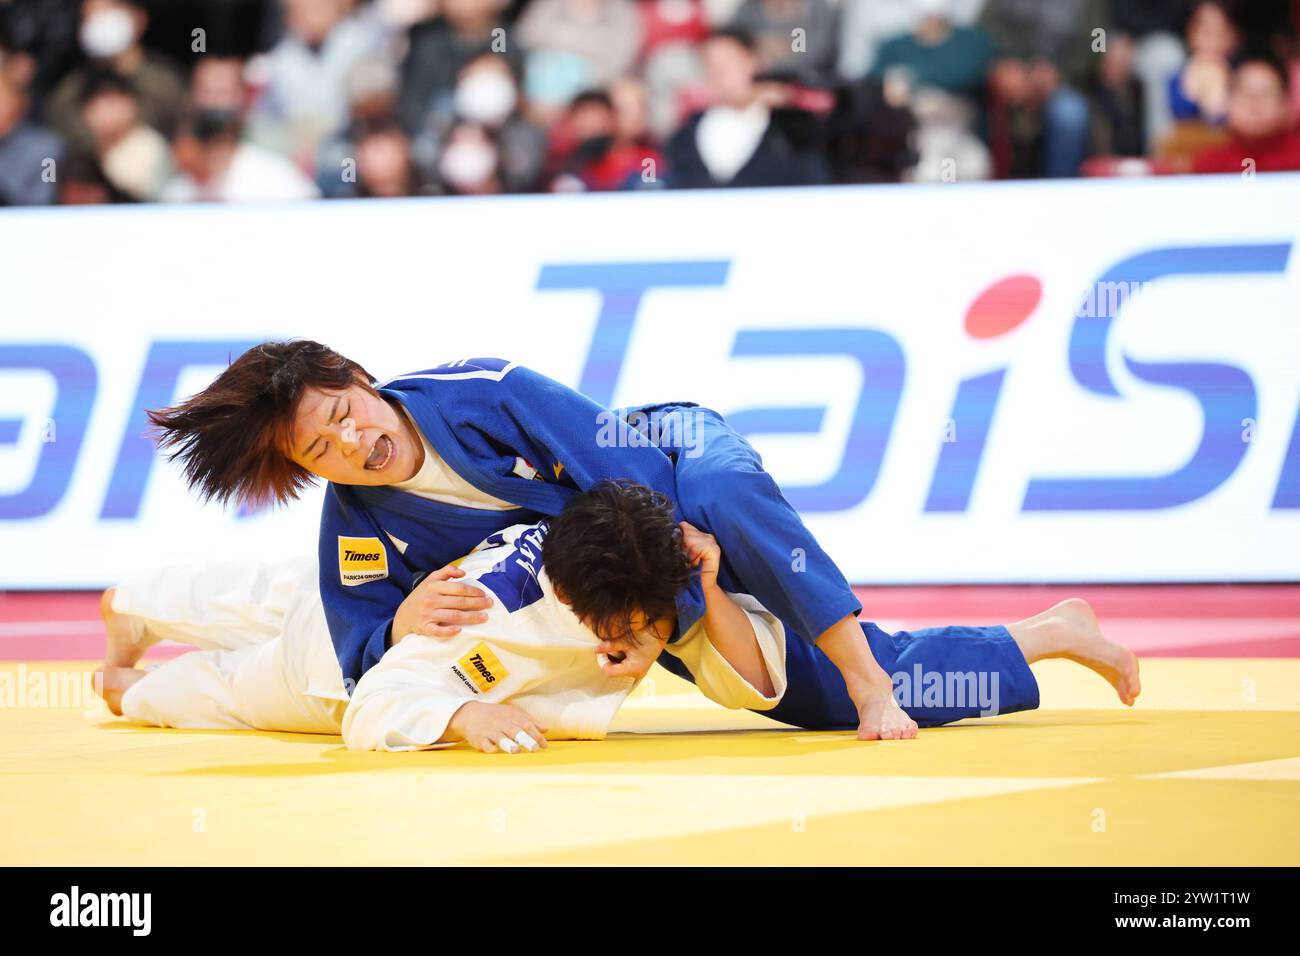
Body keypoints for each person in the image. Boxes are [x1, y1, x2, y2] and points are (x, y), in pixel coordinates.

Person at [145, 341, 1141, 742]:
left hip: (657, 464)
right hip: (613, 573)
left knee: (725, 491)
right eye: (323, 447)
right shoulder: (353, 526)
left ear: (360, 376)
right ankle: (1041, 635)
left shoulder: (484, 392)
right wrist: (402, 612)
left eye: (341, 409)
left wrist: (659, 596)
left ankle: (875, 682)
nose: (352, 441)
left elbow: (625, 473)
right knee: (813, 701)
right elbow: (364, 651)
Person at [96, 481, 1138, 752]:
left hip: (361, 608)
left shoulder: (642, 563)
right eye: (620, 638)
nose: (627, 655)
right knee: (185, 675)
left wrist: (713, 589)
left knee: (843, 683)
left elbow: (758, 681)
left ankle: (1044, 632)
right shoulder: (486, 610)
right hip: (323, 657)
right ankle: (124, 646)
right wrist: (458, 718)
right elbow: (379, 696)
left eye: (645, 634)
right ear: (570, 599)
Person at [1192, 55, 1300, 173]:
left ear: (1285, 103)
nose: (1254, 102)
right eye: (1245, 92)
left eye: (1266, 93)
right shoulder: (1209, 164)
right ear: (1228, 100)